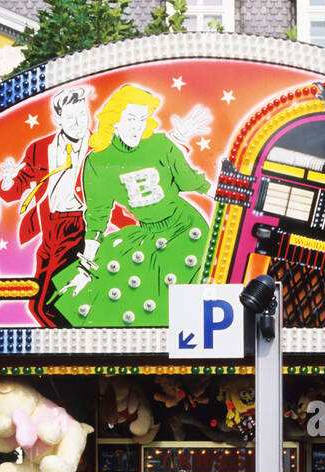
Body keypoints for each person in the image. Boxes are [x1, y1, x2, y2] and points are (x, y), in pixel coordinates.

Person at [53, 84, 212, 326]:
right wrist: (85, 269)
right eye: (130, 118)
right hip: (147, 234)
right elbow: (97, 218)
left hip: (187, 230)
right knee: (116, 294)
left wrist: (241, 196)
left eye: (141, 118)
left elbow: (195, 183)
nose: (136, 125)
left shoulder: (160, 145)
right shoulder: (98, 161)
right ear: (115, 118)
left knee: (177, 302)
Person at [0, 86, 93, 326]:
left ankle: (75, 348)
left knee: (47, 303)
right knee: (36, 303)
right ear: (58, 119)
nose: (78, 122)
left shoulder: (100, 148)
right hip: (49, 226)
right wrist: (8, 180)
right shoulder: (40, 148)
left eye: (82, 114)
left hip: (80, 226)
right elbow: (15, 189)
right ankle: (72, 345)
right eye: (70, 117)